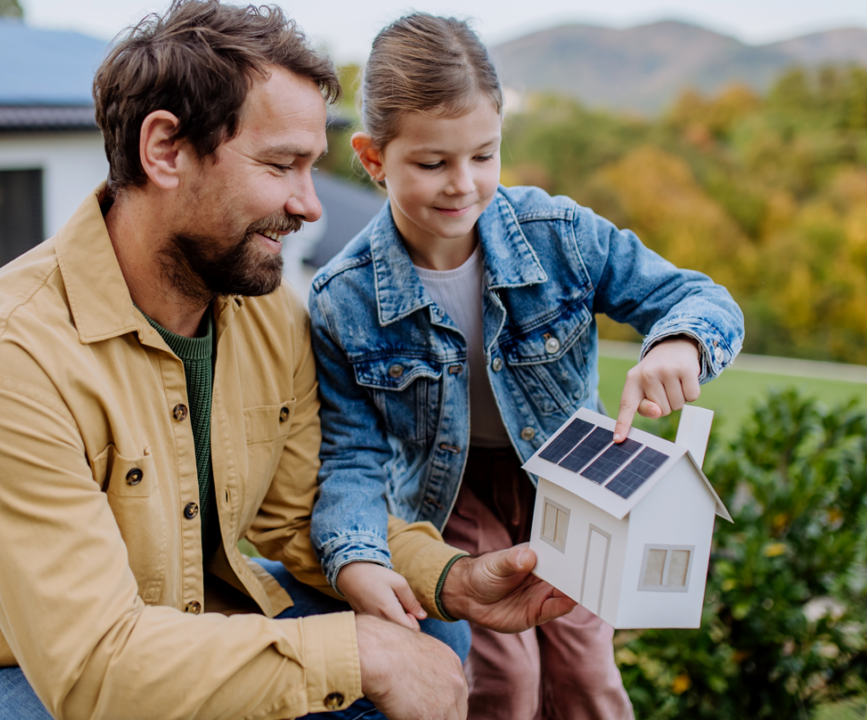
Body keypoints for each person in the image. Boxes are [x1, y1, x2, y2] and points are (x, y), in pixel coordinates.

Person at [0, 3, 578, 720]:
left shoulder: (265, 310)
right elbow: (92, 670)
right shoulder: (7, 358)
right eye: (280, 166)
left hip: (172, 616)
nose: (309, 205)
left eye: (311, 168)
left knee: (424, 623)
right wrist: (356, 655)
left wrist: (451, 578)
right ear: (165, 149)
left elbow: (305, 513)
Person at [308, 13, 745, 720]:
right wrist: (356, 552)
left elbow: (699, 297)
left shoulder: (560, 235)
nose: (462, 184)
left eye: (484, 156)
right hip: (448, 499)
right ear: (372, 157)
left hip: (571, 482)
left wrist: (680, 344)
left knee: (587, 672)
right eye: (432, 163)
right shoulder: (343, 297)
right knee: (500, 681)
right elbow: (352, 453)